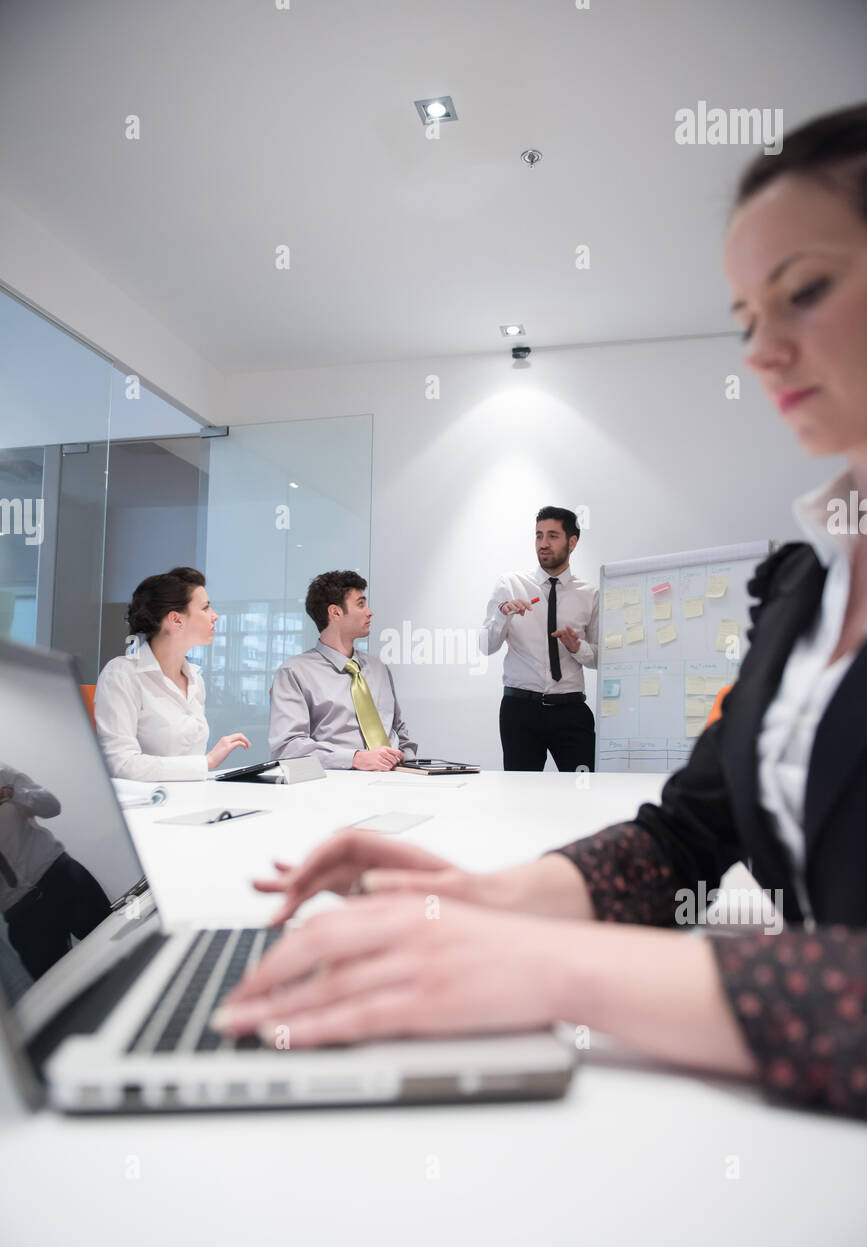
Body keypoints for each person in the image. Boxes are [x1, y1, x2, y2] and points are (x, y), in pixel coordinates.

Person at [214, 105, 867, 1120]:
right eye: (745, 320)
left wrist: (548, 965)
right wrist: (483, 896)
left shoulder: (616, 589)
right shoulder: (804, 589)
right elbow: (685, 838)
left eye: (806, 291)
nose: (762, 354)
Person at [95, 567, 250, 780]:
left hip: (191, 798)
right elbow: (121, 764)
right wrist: (206, 762)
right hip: (149, 806)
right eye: (205, 608)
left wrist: (202, 766)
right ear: (176, 620)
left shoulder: (195, 678)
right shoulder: (122, 674)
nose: (214, 617)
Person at [482, 507, 598, 771]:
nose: (543, 544)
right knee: (520, 796)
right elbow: (486, 646)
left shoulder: (590, 594)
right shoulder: (510, 584)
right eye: (538, 536)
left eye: (552, 536)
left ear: (572, 542)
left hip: (571, 710)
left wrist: (577, 647)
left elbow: (601, 658)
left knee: (584, 791)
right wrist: (503, 615)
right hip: (520, 711)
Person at [269, 570, 417, 771]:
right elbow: (287, 747)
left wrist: (408, 762)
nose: (369, 612)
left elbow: (398, 730)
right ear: (335, 612)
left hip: (397, 781)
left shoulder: (378, 669)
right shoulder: (294, 672)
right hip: (336, 788)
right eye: (361, 604)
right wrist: (355, 759)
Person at [0, 763, 110, 980]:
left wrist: (12, 793)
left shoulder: (2, 773)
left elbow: (52, 807)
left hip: (61, 877)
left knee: (117, 949)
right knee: (58, 991)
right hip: (21, 912)